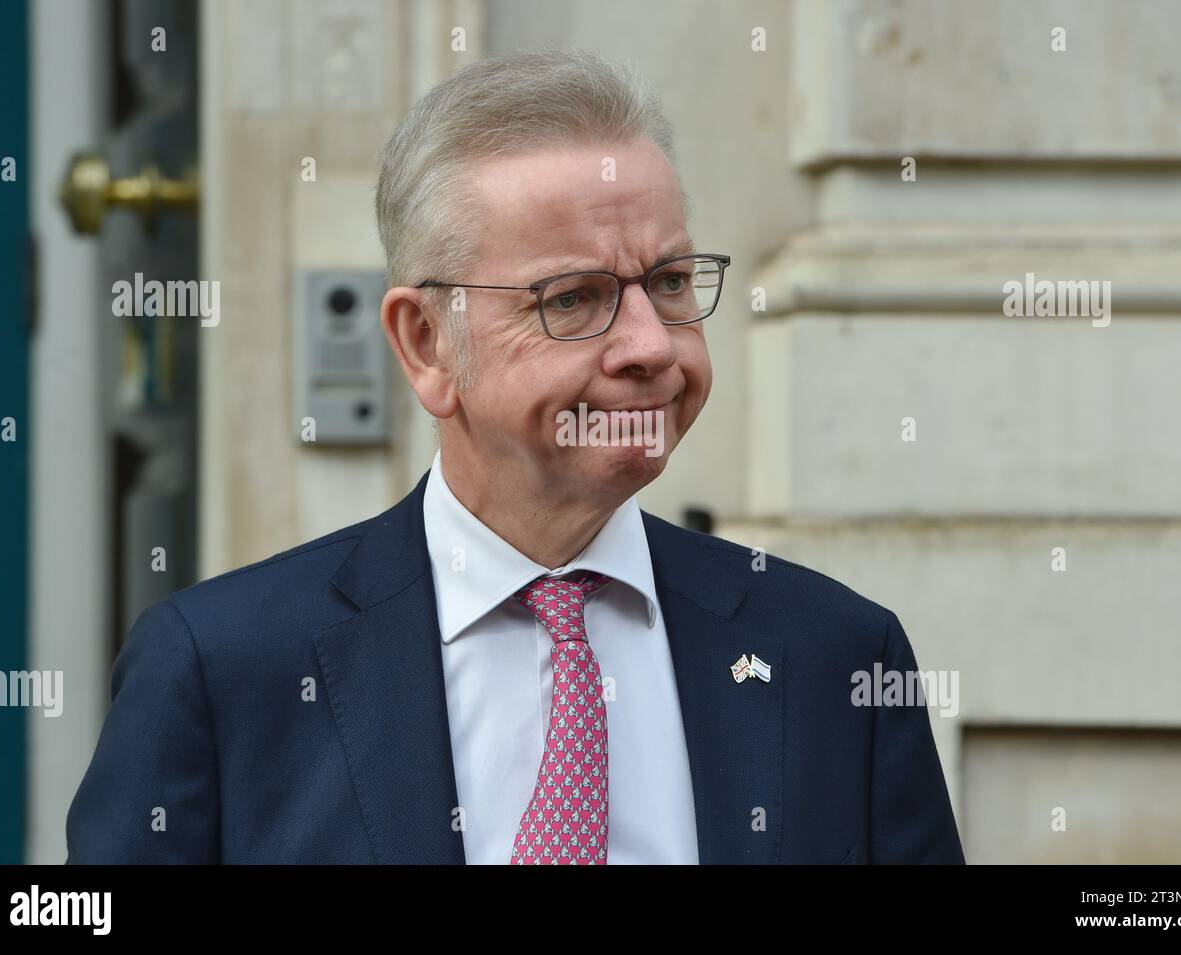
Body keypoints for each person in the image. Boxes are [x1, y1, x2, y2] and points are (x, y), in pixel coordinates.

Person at [67, 49, 963, 864]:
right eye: (575, 299)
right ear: (426, 344)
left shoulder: (835, 655)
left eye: (670, 282)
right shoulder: (224, 667)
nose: (650, 344)